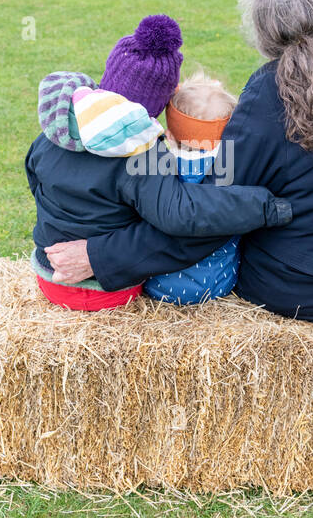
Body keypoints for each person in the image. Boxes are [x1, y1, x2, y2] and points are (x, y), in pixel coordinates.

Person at [46, 0, 313, 325]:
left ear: (263, 37)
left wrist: (99, 256)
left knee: (232, 231)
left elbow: (209, 218)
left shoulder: (267, 93)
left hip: (301, 291)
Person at [25, 15, 292, 311]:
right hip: (105, 289)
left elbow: (34, 178)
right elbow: (180, 214)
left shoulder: (55, 128)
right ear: (158, 105)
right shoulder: (140, 153)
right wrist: (264, 205)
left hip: (48, 274)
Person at [144, 73, 241, 305]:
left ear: (169, 135)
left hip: (158, 285)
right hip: (219, 284)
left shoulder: (154, 166)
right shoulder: (236, 167)